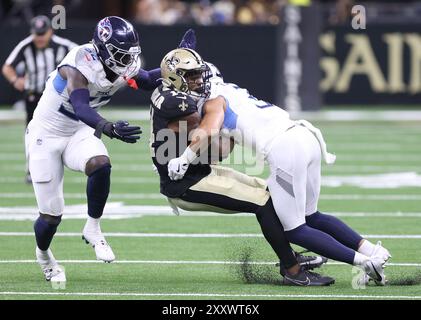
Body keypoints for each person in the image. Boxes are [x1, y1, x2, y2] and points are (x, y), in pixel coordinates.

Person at [164, 48, 392, 286]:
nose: (197, 81)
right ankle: (373, 251)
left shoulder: (213, 102)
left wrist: (184, 158)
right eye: (191, 76)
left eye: (198, 75)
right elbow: (223, 147)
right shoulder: (231, 92)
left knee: (294, 229)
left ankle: (365, 262)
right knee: (311, 215)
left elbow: (209, 129)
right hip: (305, 137)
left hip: (286, 149)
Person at [26, 16, 194, 283]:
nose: (127, 60)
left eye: (130, 55)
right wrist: (108, 127)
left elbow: (148, 81)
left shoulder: (122, 64)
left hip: (77, 133)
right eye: (120, 54)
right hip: (45, 136)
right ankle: (44, 256)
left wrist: (180, 61)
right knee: (51, 217)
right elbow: (81, 107)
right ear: (102, 47)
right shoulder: (79, 63)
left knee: (100, 164)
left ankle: (93, 227)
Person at [2, 15, 77, 183]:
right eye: (37, 34)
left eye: (43, 34)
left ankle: (57, 165)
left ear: (50, 31)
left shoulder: (64, 46)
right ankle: (32, 169)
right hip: (34, 95)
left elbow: (82, 55)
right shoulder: (26, 45)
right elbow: (7, 67)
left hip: (57, 97)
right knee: (32, 131)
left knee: (59, 130)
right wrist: (15, 80)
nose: (40, 38)